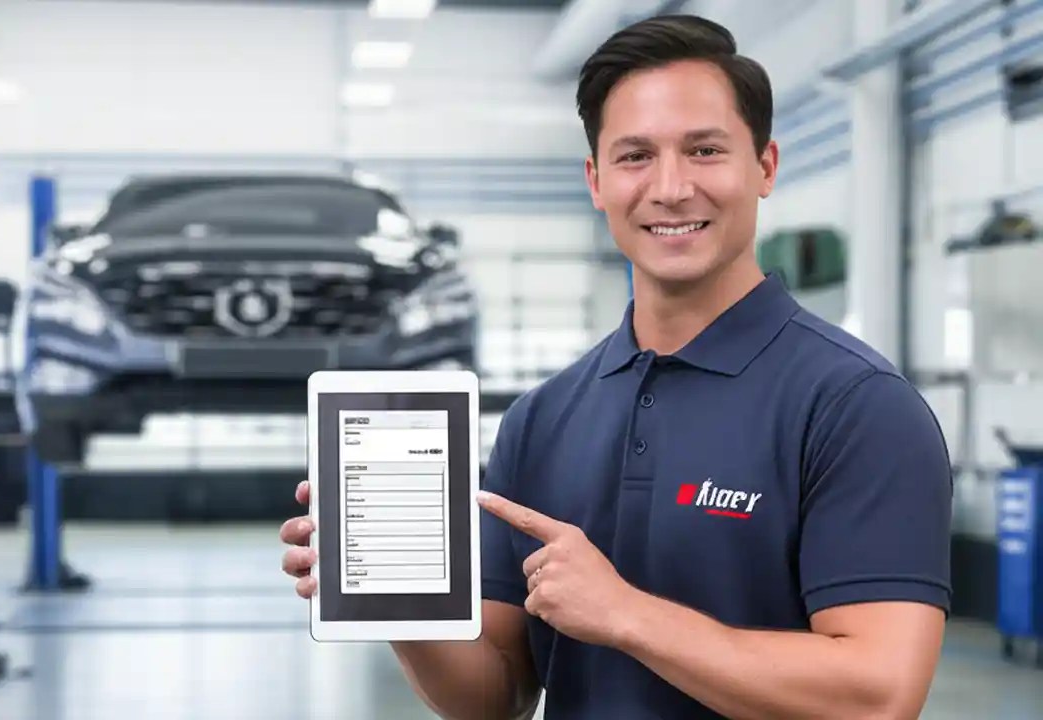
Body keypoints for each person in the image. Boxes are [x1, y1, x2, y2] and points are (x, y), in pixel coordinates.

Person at [280, 14, 951, 719]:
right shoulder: (543, 419)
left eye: (704, 150)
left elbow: (876, 696)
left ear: (765, 167)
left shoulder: (857, 406)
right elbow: (495, 697)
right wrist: (395, 594)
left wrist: (625, 614)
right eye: (635, 157)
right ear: (596, 181)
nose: (669, 187)